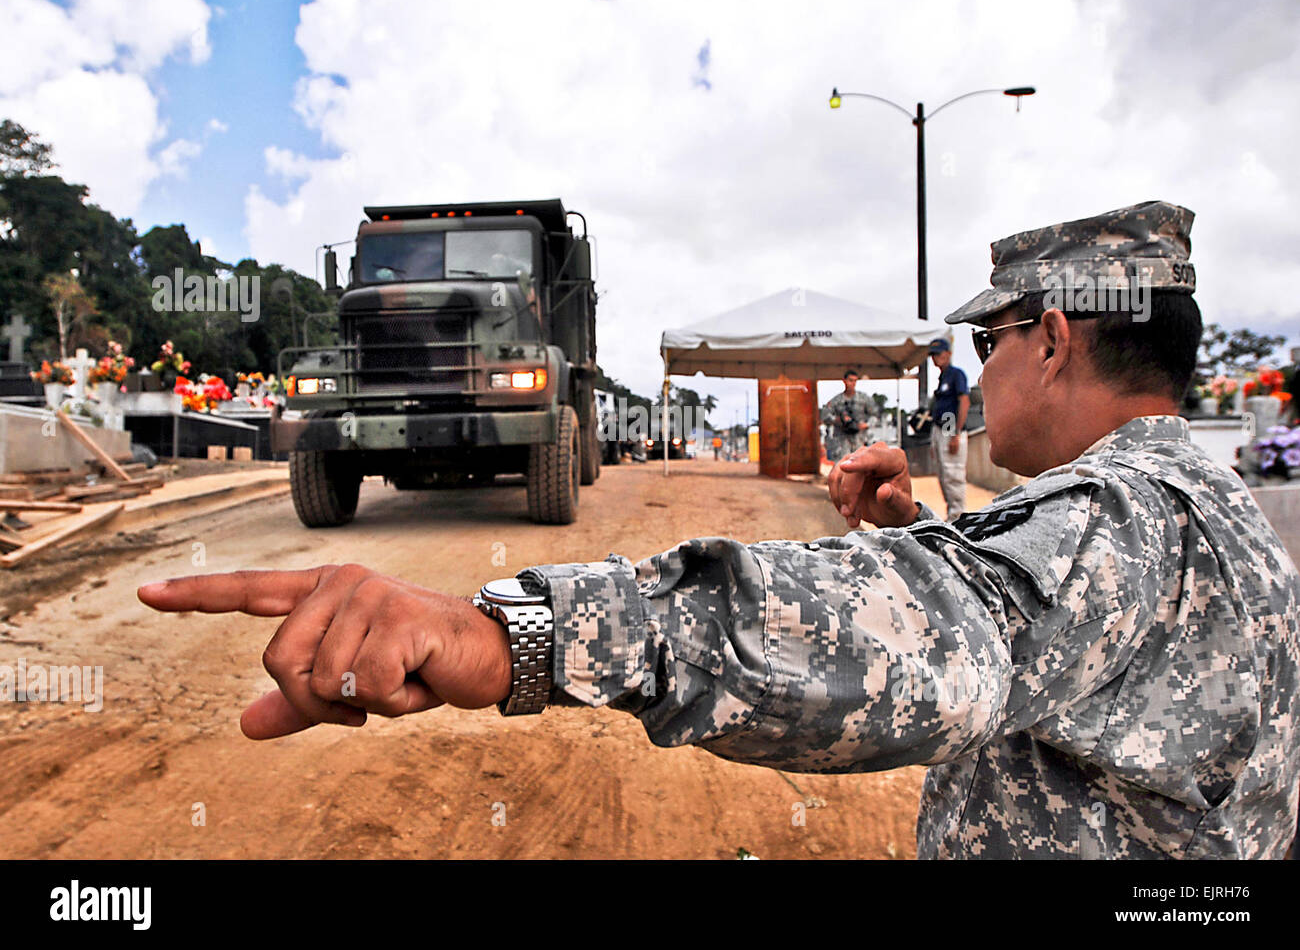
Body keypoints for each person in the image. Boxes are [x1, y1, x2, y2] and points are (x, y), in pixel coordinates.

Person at [138, 201, 1300, 859]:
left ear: (1050, 338)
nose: (979, 364)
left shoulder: (1121, 520)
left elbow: (934, 647)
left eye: (990, 338)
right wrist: (919, 524)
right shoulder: (1204, 513)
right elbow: (1058, 614)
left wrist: (517, 633)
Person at [926, 338, 969, 521]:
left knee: (953, 473)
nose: (936, 358)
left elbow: (964, 401)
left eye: (939, 353)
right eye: (933, 355)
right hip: (939, 428)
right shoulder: (942, 377)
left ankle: (958, 516)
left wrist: (955, 434)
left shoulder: (956, 374)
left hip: (950, 428)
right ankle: (952, 513)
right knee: (943, 474)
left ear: (948, 354)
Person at [820, 369, 874, 462]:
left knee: (858, 466)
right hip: (842, 439)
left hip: (859, 439)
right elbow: (825, 416)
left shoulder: (863, 399)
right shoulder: (837, 401)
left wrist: (866, 424)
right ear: (844, 381)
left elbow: (875, 415)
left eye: (855, 381)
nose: (852, 383)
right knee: (842, 466)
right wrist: (837, 420)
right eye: (850, 380)